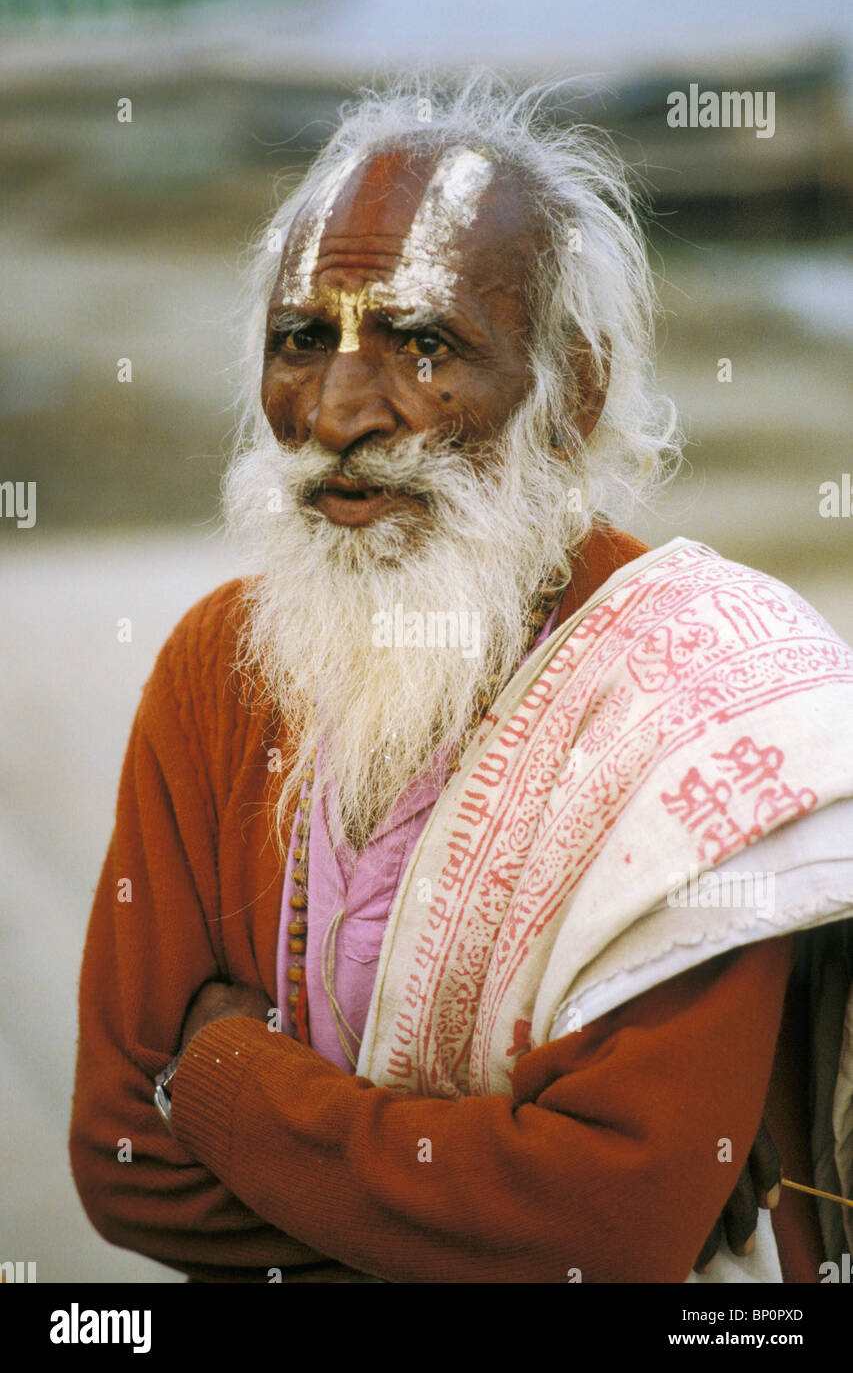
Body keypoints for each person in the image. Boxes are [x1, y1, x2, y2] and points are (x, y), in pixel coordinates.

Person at [70, 74, 853, 1284]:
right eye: (298, 342)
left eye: (424, 344)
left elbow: (607, 1226)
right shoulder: (213, 673)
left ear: (570, 392)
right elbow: (123, 1161)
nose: (337, 410)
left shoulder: (704, 706)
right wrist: (478, 1212)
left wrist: (221, 1079)